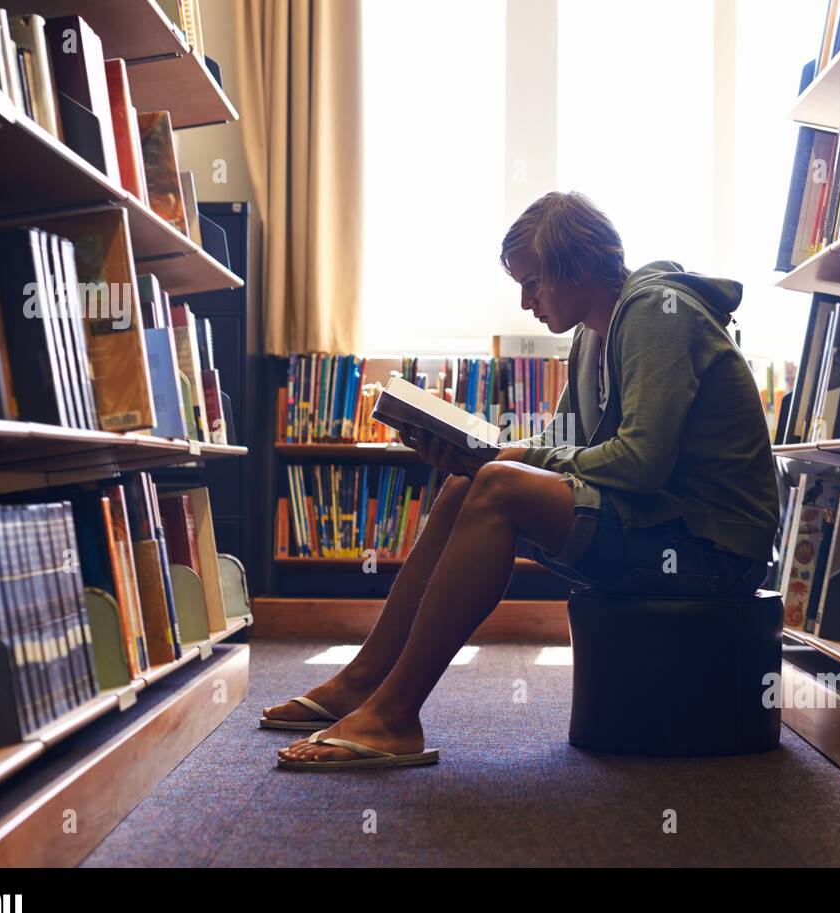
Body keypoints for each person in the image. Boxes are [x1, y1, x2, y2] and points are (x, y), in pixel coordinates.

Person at [264, 191, 780, 769]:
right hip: (658, 525)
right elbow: (572, 445)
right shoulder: (592, 335)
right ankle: (365, 682)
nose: (525, 300)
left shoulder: (658, 315)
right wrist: (477, 453)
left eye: (533, 282)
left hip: (713, 552)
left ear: (581, 265)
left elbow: (640, 462)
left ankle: (394, 716)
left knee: (499, 487)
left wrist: (507, 462)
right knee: (467, 486)